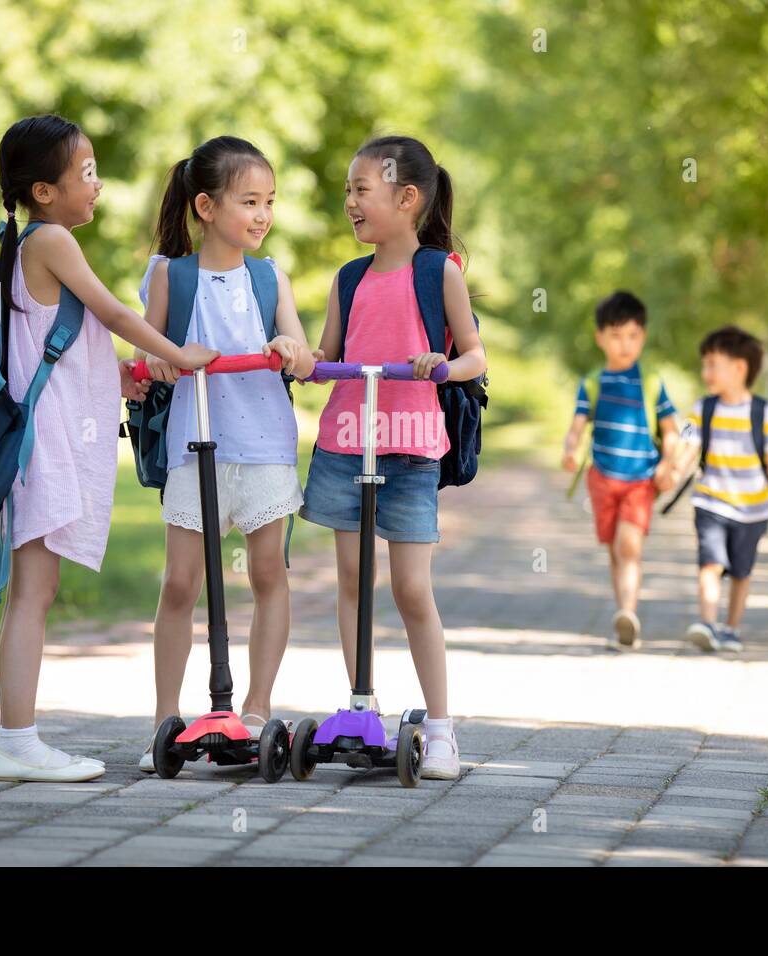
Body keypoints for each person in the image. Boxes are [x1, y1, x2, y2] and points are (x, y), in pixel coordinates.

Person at [0, 114, 217, 782]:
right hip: (38, 448)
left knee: (36, 587)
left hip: (40, 442)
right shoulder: (50, 239)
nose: (97, 183)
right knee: (31, 591)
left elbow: (51, 346)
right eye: (84, 172)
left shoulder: (33, 244)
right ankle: (17, 742)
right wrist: (178, 354)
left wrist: (122, 375)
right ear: (45, 190)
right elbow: (114, 312)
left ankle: (18, 738)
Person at [299, 135, 486, 780]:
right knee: (352, 583)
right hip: (346, 442)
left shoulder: (440, 272)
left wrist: (442, 365)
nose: (349, 202)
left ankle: (440, 729)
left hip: (409, 449)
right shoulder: (348, 278)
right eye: (347, 191)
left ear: (407, 199)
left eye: (361, 191)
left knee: (410, 589)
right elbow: (326, 356)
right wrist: (301, 363)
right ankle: (361, 705)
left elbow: (475, 356)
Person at [133, 136, 315, 772]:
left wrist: (295, 350)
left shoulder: (269, 277)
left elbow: (304, 348)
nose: (263, 214)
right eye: (249, 201)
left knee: (269, 574)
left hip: (264, 447)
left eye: (269, 202)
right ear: (206, 206)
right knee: (181, 582)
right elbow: (148, 351)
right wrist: (156, 360)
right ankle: (164, 716)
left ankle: (258, 707)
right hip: (195, 447)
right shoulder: (170, 276)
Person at [657, 325, 768, 652]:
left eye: (712, 365)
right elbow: (688, 442)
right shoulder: (702, 408)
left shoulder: (763, 412)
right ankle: (707, 623)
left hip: (753, 509)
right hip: (711, 503)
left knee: (742, 572)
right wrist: (674, 468)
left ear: (740, 368)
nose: (706, 373)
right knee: (710, 563)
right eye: (704, 365)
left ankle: (731, 629)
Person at [563, 291, 679, 648]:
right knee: (615, 549)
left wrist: (669, 464)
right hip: (602, 479)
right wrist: (570, 450)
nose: (624, 344)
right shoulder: (593, 382)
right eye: (616, 336)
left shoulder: (651, 381)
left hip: (640, 480)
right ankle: (622, 617)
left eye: (632, 336)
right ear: (600, 337)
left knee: (629, 546)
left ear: (642, 336)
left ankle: (628, 613)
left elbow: (672, 431)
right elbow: (577, 427)